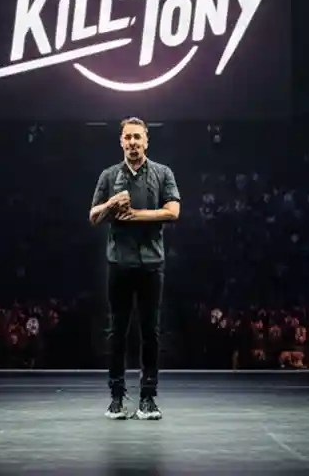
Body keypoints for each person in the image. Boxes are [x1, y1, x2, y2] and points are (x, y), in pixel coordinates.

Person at [88, 117, 180, 420]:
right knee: (117, 332)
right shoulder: (108, 175)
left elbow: (173, 211)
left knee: (150, 332)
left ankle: (148, 398)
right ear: (121, 142)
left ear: (146, 141)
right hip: (119, 263)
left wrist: (134, 215)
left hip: (152, 264)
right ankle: (116, 397)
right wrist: (111, 204)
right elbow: (93, 216)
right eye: (127, 137)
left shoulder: (163, 173)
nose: (132, 143)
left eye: (137, 137)